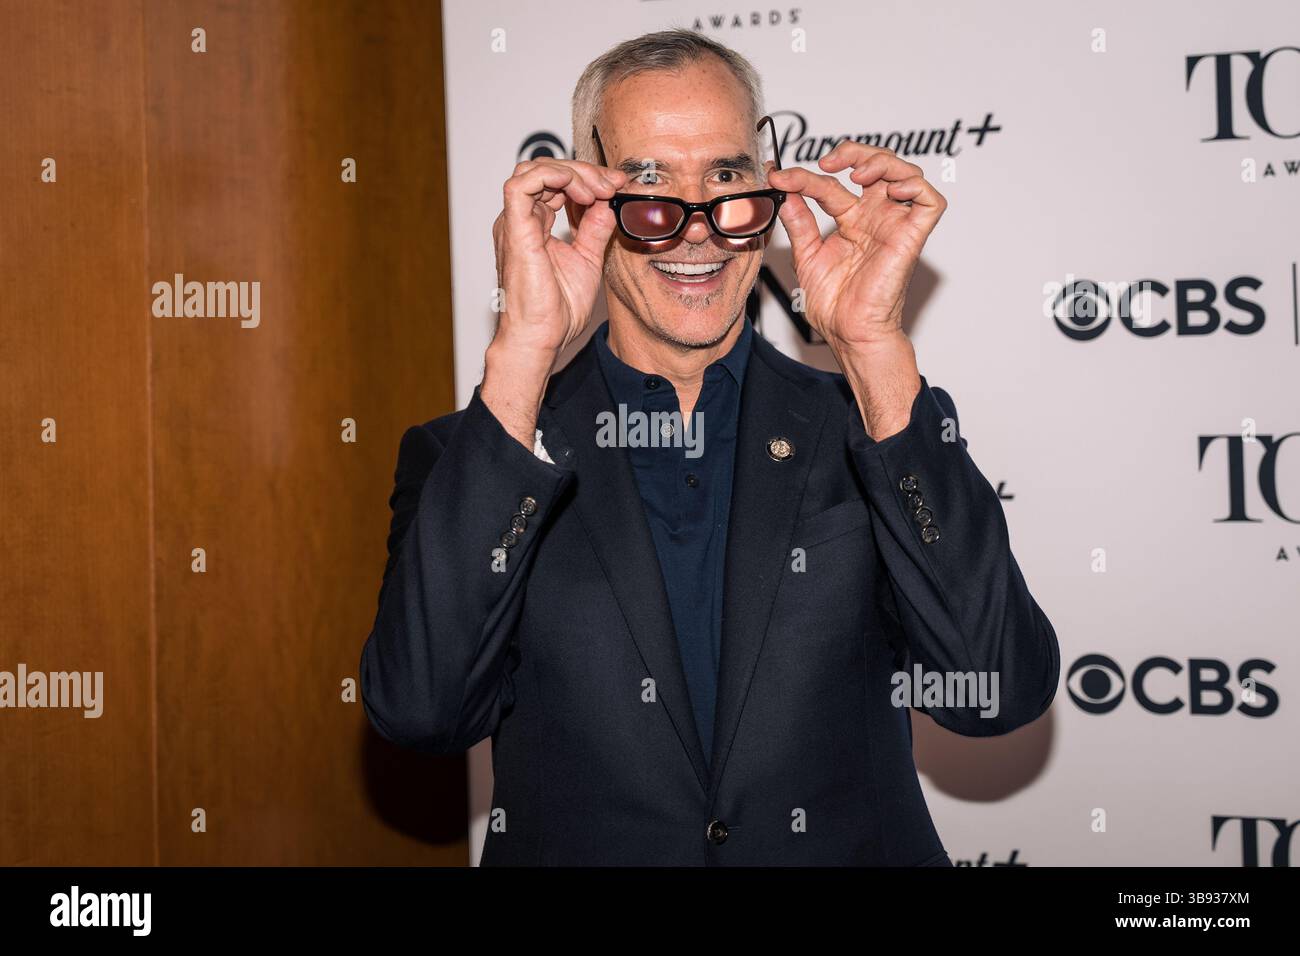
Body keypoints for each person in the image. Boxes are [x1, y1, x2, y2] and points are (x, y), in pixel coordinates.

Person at [360, 28, 1059, 866]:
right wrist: (523, 352)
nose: (697, 232)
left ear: (762, 190)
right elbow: (423, 712)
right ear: (587, 198)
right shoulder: (476, 455)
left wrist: (873, 348)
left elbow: (999, 692)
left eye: (725, 179)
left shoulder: (872, 426)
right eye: (650, 186)